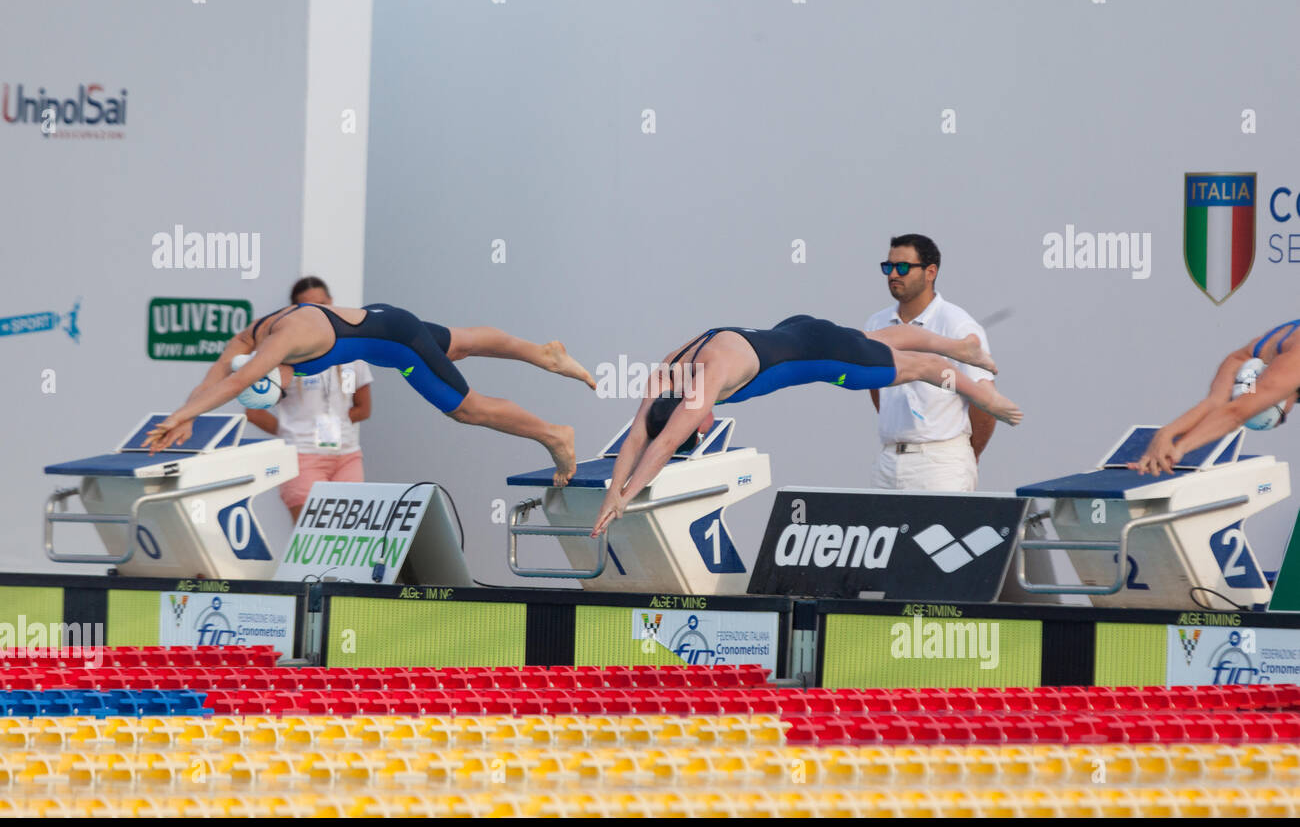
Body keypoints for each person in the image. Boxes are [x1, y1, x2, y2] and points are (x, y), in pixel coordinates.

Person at [590, 314, 1021, 535]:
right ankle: (960, 346)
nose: (708, 424)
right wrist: (615, 491)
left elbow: (663, 444)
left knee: (919, 368)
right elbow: (638, 436)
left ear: (690, 409)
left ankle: (983, 389)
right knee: (867, 344)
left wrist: (626, 500)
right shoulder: (667, 371)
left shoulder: (707, 382)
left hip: (821, 354)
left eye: (698, 426)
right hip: (796, 329)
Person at [142, 300, 596, 486]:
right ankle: (542, 353)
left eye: (277, 390)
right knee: (463, 343)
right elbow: (217, 378)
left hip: (395, 342)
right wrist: (184, 414)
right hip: (386, 320)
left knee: (467, 409)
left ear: (269, 372)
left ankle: (554, 435)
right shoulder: (251, 338)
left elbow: (236, 383)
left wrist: (184, 418)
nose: (285, 392)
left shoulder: (279, 345)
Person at [865, 233, 996, 492]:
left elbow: (985, 403)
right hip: (888, 460)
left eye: (903, 267)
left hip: (941, 461)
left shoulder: (957, 324)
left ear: (930, 272)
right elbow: (876, 388)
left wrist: (967, 454)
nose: (893, 274)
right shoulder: (875, 325)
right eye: (888, 267)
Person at [245, 278, 374, 522]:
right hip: (302, 458)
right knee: (311, 538)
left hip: (347, 455)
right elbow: (254, 411)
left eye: (323, 304)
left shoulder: (352, 353)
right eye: (311, 308)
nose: (320, 312)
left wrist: (337, 421)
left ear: (332, 303)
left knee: (351, 535)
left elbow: (363, 408)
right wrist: (291, 431)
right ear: (296, 312)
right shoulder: (283, 353)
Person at [1132, 320, 1300, 475]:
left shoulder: (1289, 364)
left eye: (1282, 416)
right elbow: (1217, 405)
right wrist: (1166, 435)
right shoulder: (1244, 358)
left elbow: (1235, 414)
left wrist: (1179, 448)